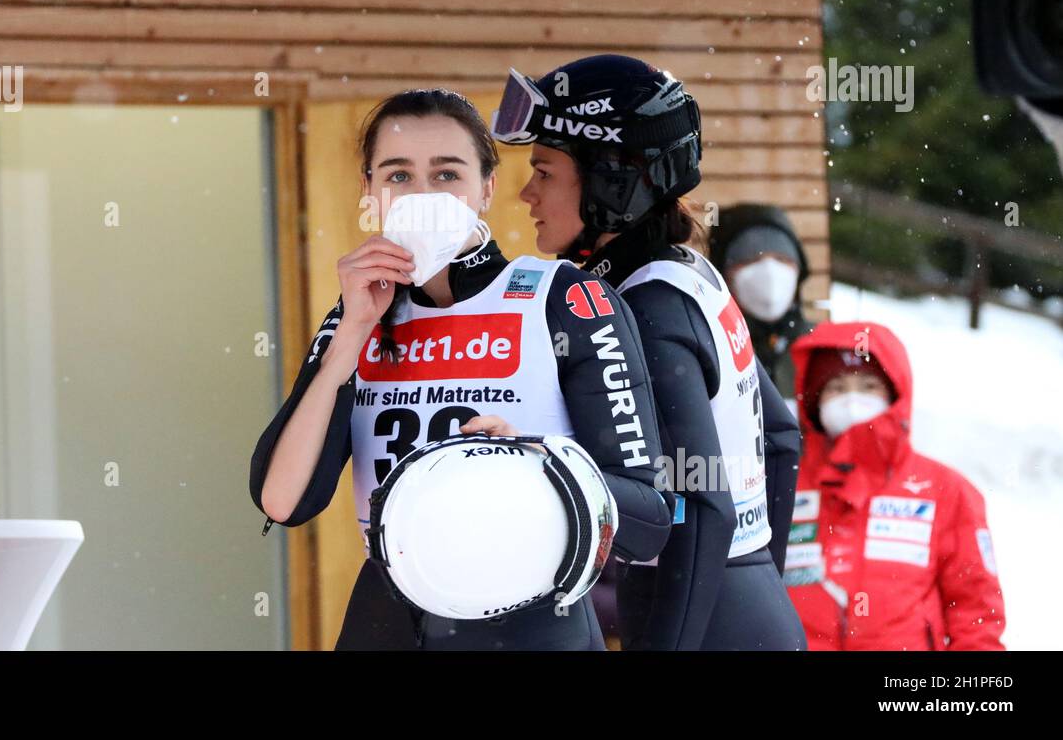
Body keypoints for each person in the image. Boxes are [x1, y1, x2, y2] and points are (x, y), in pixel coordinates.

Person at [248, 88, 675, 650]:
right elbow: (284, 501)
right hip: (389, 614)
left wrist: (535, 460)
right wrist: (350, 334)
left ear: (486, 189)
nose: (423, 193)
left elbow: (648, 523)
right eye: (398, 176)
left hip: (530, 617)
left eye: (447, 175)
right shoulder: (356, 316)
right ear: (369, 192)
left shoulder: (561, 298)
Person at [491, 54, 806, 650]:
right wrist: (761, 574)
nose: (526, 194)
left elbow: (701, 502)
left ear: (614, 182)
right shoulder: (683, 271)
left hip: (700, 616)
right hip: (736, 605)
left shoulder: (648, 308)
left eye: (544, 172)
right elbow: (783, 439)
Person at [786, 320, 1006, 650]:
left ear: (895, 393)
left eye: (868, 386)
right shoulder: (782, 485)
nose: (852, 400)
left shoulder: (946, 490)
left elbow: (976, 614)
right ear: (814, 402)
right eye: (836, 388)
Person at [708, 203, 813, 403]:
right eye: (749, 259)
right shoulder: (710, 348)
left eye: (782, 259)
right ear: (723, 274)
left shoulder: (820, 348)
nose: (769, 270)